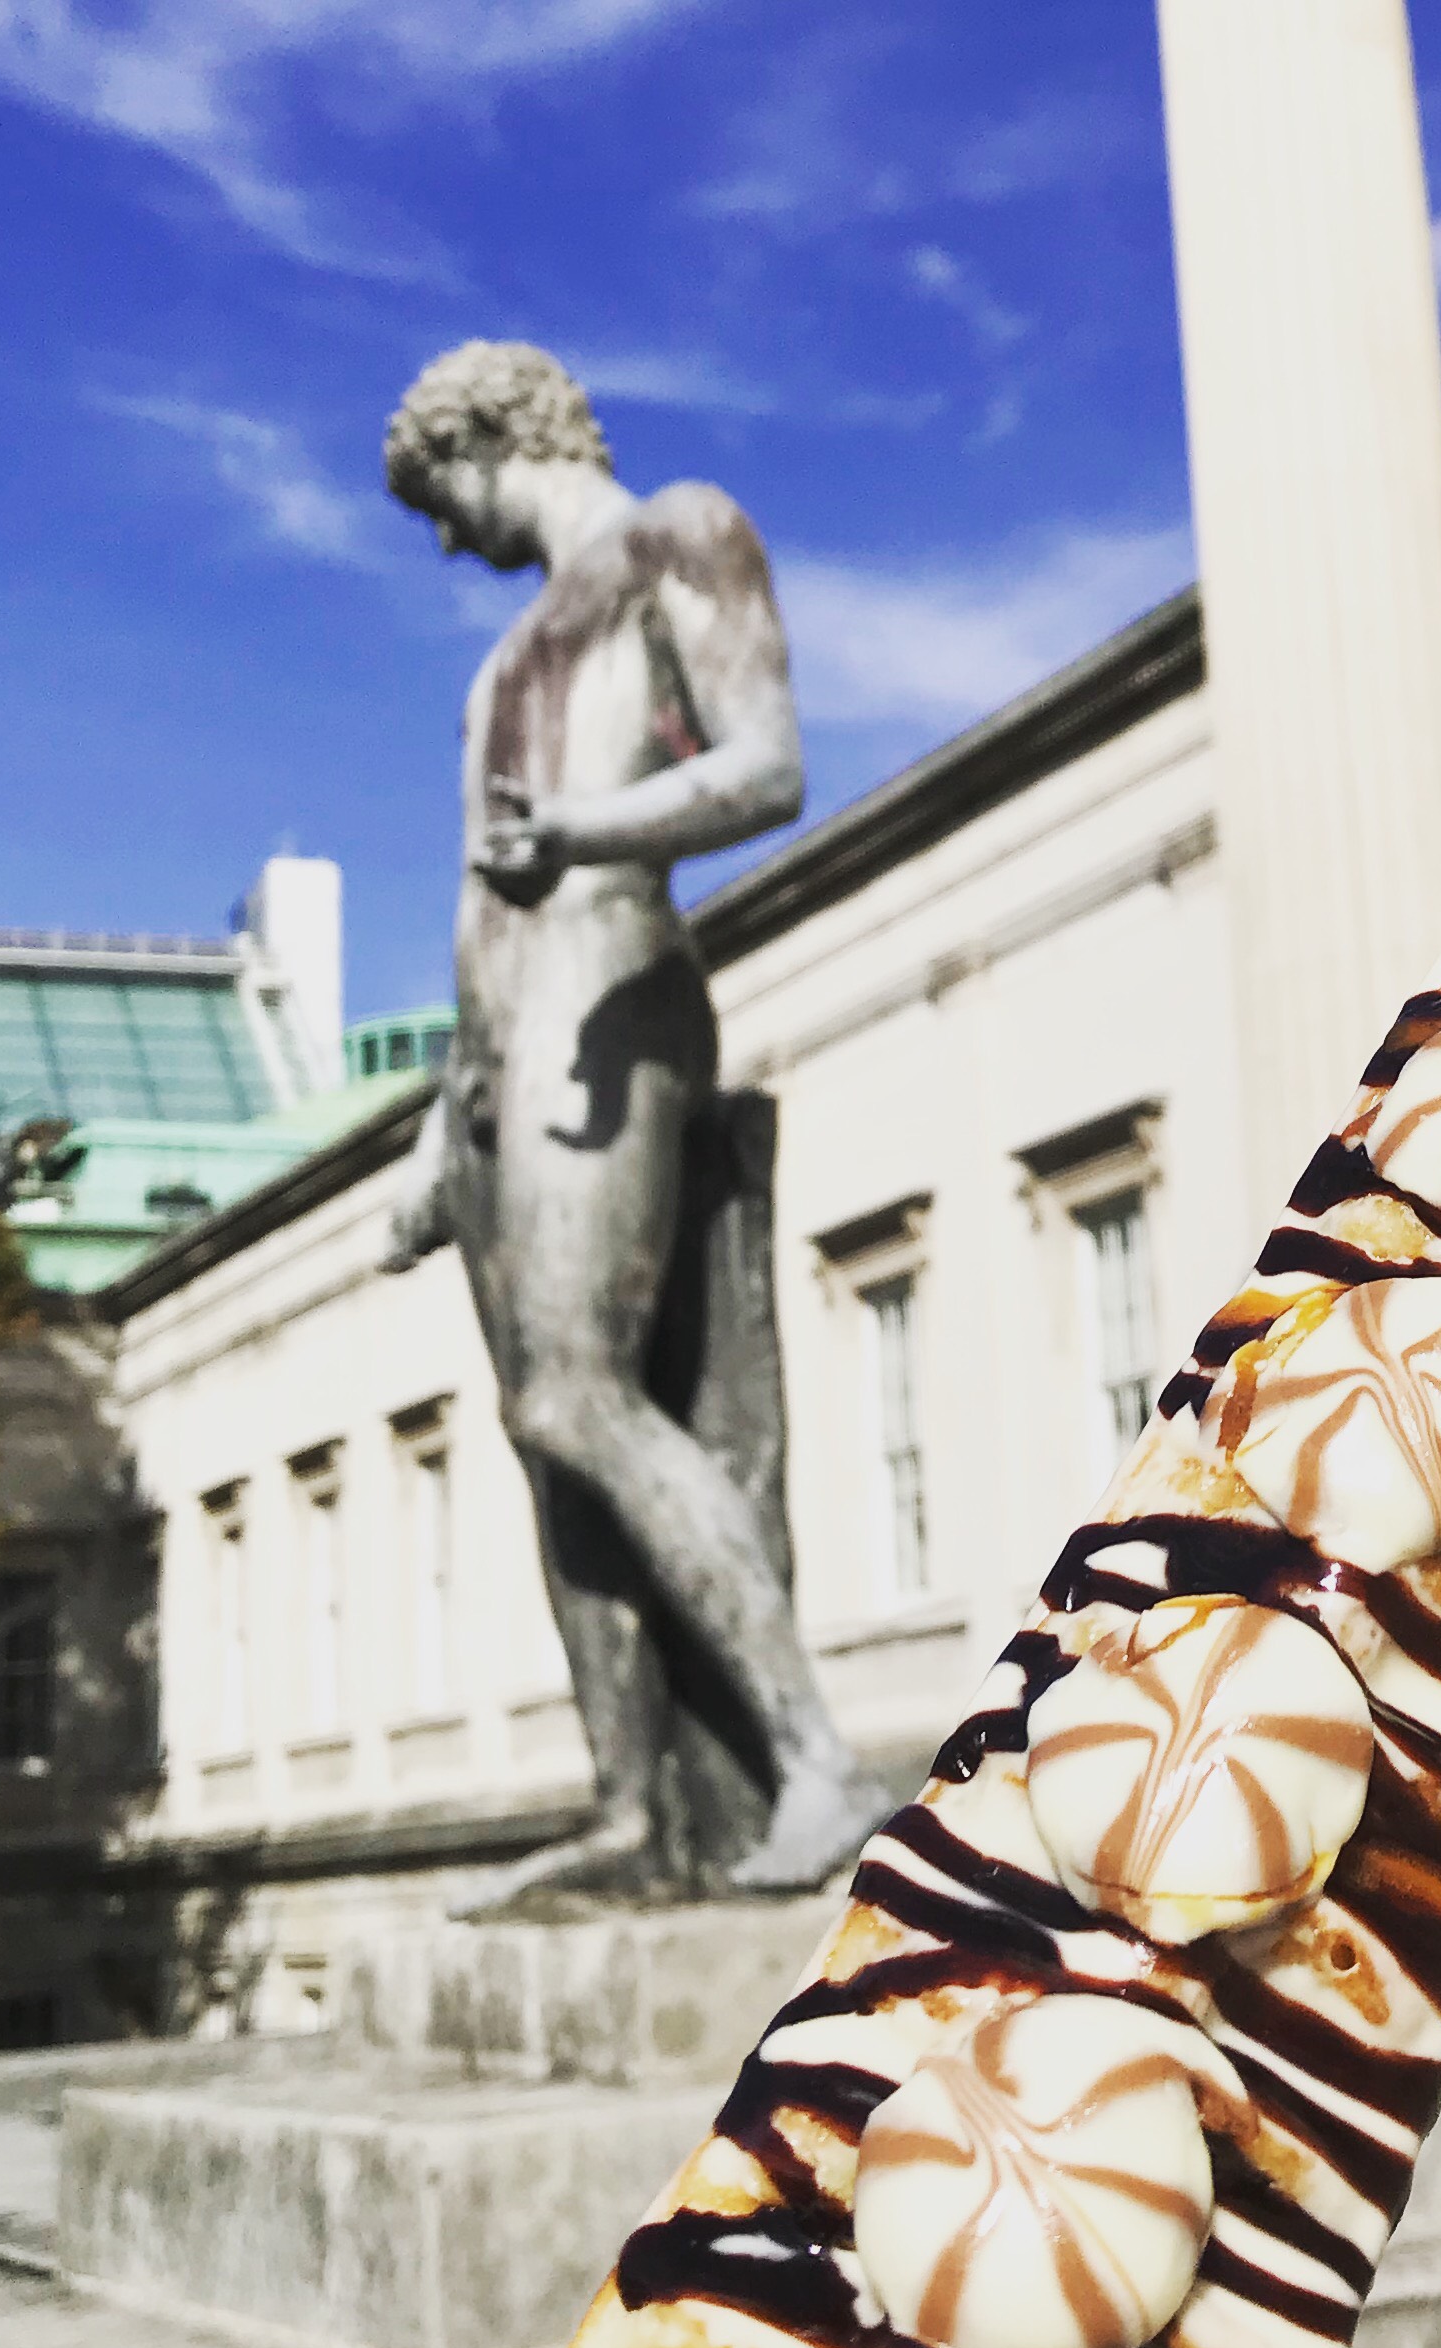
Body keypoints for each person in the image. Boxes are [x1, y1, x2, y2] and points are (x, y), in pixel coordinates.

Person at [380, 341, 887, 1907]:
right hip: (503, 1053)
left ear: (483, 437)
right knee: (549, 1435)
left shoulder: (683, 531)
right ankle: (632, 1809)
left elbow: (768, 767)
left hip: (608, 997)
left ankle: (815, 1762)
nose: (447, 536)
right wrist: (436, 1125)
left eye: (438, 497)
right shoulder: (505, 655)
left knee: (583, 1396)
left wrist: (590, 828)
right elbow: (483, 891)